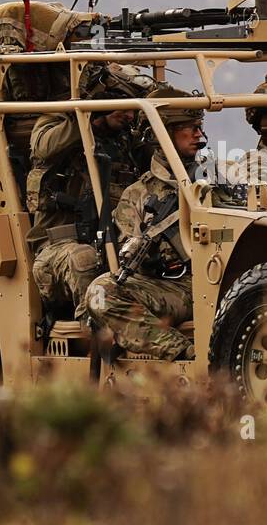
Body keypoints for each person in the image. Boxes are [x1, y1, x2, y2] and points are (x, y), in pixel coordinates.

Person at [84, 86, 209, 361]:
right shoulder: (136, 195)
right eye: (187, 128)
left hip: (220, 279)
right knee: (100, 293)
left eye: (198, 126)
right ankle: (185, 352)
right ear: (161, 135)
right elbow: (131, 261)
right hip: (177, 288)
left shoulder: (216, 179)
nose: (198, 134)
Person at [27, 63, 151, 319]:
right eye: (123, 105)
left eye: (133, 108)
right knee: (84, 260)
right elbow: (44, 147)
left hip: (113, 237)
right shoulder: (60, 119)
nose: (130, 115)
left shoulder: (126, 139)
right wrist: (87, 114)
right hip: (57, 244)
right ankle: (94, 333)